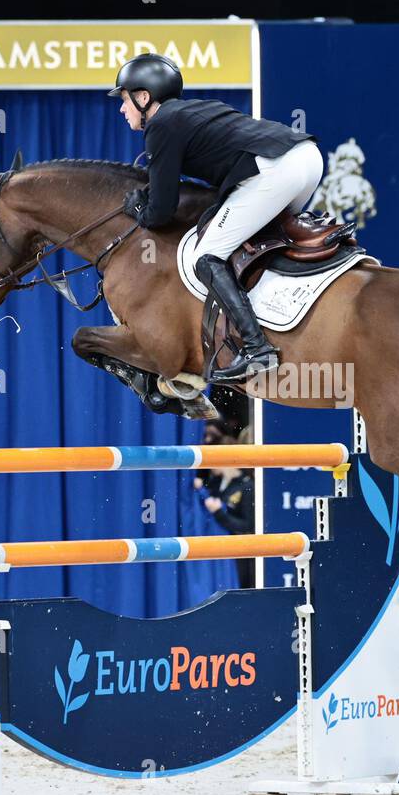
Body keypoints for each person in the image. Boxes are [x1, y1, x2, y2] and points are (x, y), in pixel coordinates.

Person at [110, 53, 322, 382]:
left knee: (206, 256)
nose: (122, 109)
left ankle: (257, 349)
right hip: (307, 159)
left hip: (276, 169)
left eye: (124, 99)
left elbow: (161, 211)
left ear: (143, 97)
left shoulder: (161, 125)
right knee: (253, 243)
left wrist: (137, 207)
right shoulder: (189, 111)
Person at [193, 420, 256, 588]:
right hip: (221, 552)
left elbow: (248, 526)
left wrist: (219, 513)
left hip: (238, 556)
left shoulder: (247, 487)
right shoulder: (216, 483)